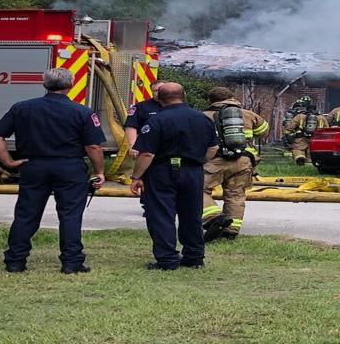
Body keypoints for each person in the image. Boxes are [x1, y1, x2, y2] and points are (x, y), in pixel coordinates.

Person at [0, 67, 107, 274]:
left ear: (44, 85)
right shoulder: (82, 112)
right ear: (70, 85)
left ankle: (15, 260)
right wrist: (99, 171)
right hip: (70, 167)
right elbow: (93, 146)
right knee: (70, 215)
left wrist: (8, 162)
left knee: (26, 214)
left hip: (33, 166)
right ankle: (71, 262)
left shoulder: (22, 108)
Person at [128, 82, 217, 270]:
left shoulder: (156, 120)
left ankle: (167, 259)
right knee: (192, 214)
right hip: (193, 171)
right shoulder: (202, 118)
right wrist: (197, 162)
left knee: (161, 214)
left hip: (162, 172)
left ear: (159, 98)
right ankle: (194, 257)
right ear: (184, 95)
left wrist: (136, 176)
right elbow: (213, 147)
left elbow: (146, 154)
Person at [200, 85, 270, 242]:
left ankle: (214, 218)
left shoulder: (203, 116)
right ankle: (231, 230)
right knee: (236, 194)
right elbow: (264, 131)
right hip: (243, 161)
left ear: (211, 100)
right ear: (231, 97)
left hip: (215, 161)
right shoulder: (248, 114)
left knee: (196, 189)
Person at [283, 95, 326, 164]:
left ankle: (300, 158)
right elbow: (326, 129)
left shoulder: (300, 116)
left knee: (298, 150)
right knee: (311, 154)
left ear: (306, 109)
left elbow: (290, 126)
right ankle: (310, 164)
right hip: (316, 140)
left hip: (301, 139)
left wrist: (288, 134)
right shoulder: (322, 118)